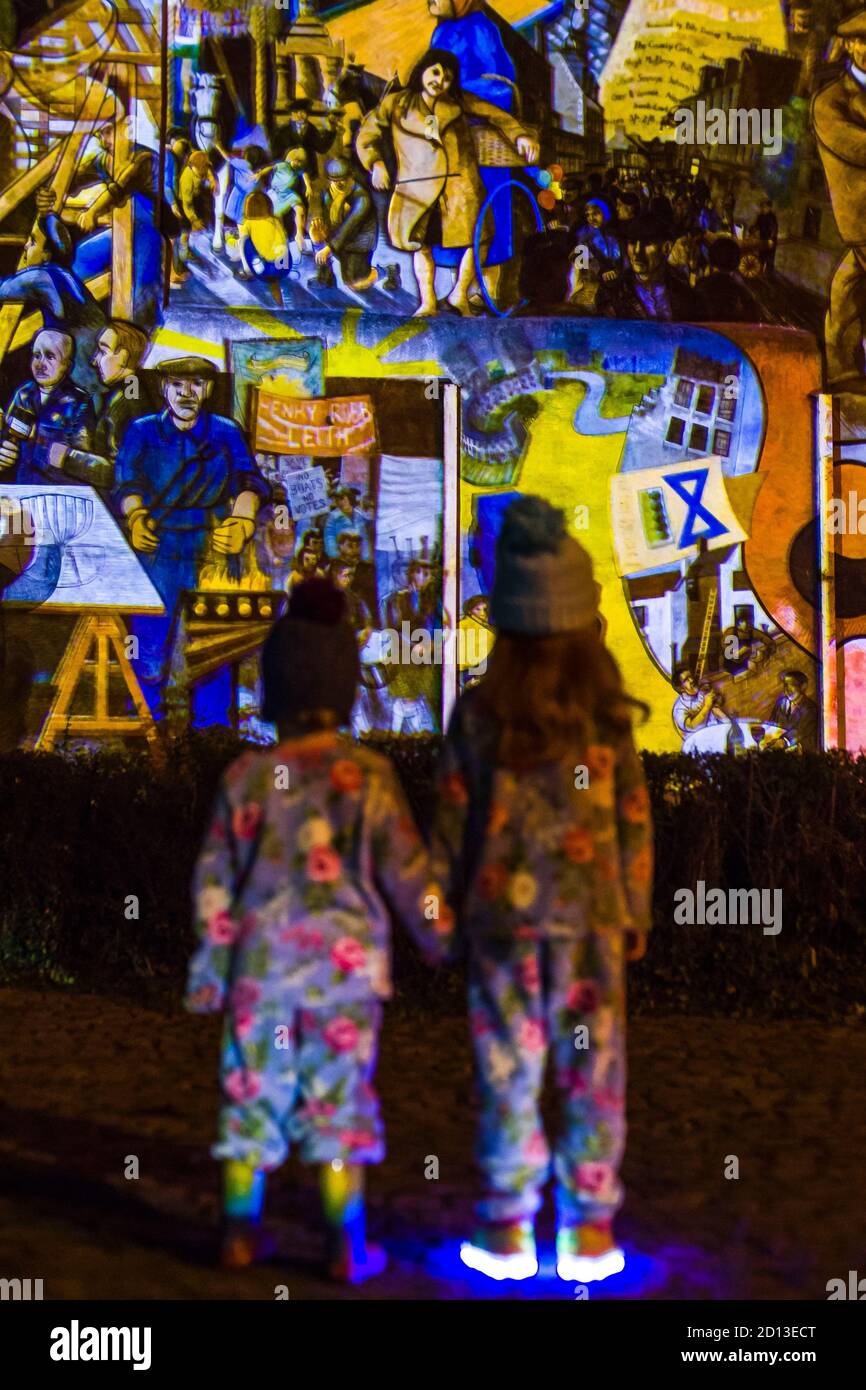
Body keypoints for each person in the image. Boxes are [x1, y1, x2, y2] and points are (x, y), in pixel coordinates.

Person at [185, 576, 452, 1277]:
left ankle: (238, 1234)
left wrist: (211, 969)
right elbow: (407, 872)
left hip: (260, 969)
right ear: (343, 685)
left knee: (252, 1092)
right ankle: (345, 1246)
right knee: (339, 1099)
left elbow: (215, 878)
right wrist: (438, 935)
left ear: (274, 688)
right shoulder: (366, 776)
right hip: (344, 971)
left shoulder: (247, 776)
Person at [430, 495, 653, 1282]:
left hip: (501, 923)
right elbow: (632, 819)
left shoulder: (480, 714)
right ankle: (590, 1233)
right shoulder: (606, 717)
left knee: (507, 1071)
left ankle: (506, 1231)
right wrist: (634, 907)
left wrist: (443, 916)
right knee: (595, 1070)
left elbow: (452, 827)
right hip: (591, 920)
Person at [113, 356, 269, 723]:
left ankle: (212, 736)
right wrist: (135, 516)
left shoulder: (226, 432)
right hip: (157, 551)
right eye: (178, 384)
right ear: (164, 387)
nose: (187, 393)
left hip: (210, 551)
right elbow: (125, 482)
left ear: (208, 389)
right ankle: (144, 732)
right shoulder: (142, 431)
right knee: (148, 649)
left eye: (197, 384)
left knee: (212, 650)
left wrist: (243, 521)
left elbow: (251, 481)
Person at [356, 48, 538, 316]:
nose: (439, 81)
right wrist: (375, 163)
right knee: (420, 244)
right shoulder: (397, 103)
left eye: (447, 77)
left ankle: (459, 294)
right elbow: (367, 132)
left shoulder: (458, 102)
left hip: (459, 185)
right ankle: (428, 301)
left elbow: (496, 115)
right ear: (423, 71)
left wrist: (520, 136)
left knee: (479, 238)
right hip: (416, 187)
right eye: (436, 72)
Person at [813, 10, 866, 388]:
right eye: (862, 40)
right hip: (861, 224)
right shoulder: (831, 101)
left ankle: (844, 377)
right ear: (848, 45)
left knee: (845, 297)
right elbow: (856, 146)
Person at [0, 207, 107, 385]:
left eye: (33, 242)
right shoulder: (63, 275)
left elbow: (3, 289)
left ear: (46, 255)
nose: (26, 246)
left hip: (81, 368)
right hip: (92, 362)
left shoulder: (40, 277)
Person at [50, 319, 148, 491]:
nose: (94, 360)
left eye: (103, 351)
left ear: (124, 356)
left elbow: (120, 472)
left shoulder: (129, 402)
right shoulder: (127, 390)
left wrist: (69, 458)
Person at [0, 328, 94, 485]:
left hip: (57, 490)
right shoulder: (24, 393)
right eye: (36, 356)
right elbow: (7, 437)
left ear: (67, 366)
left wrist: (38, 440)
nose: (40, 364)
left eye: (50, 357)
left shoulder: (80, 401)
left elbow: (79, 462)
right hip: (21, 486)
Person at [602, 215, 699, 321]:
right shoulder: (615, 292)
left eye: (647, 243)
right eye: (632, 243)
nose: (637, 252)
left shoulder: (683, 293)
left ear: (666, 248)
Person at [310, 158, 378, 292]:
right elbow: (324, 215)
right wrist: (320, 233)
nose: (338, 183)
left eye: (342, 179)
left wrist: (328, 248)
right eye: (334, 180)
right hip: (338, 238)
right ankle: (325, 275)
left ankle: (383, 271)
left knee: (356, 284)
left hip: (359, 241)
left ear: (350, 176)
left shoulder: (362, 198)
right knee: (316, 233)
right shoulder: (329, 193)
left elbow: (349, 227)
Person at [765, 669, 819, 750]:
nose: (787, 689)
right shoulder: (781, 703)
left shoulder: (810, 708)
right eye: (785, 685)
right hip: (778, 750)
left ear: (803, 686)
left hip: (800, 754)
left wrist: (783, 742)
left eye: (792, 684)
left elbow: (800, 732)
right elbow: (772, 724)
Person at [671, 664, 729, 738]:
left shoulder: (701, 691)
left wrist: (729, 724)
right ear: (681, 688)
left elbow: (717, 708)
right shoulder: (679, 708)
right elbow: (692, 727)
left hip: (718, 733)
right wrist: (707, 706)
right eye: (686, 680)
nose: (691, 680)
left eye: (691, 677)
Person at [751, 197, 779, 274]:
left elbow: (774, 229)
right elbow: (756, 226)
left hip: (770, 241)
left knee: (769, 258)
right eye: (762, 207)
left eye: (765, 207)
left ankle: (768, 274)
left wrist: (771, 239)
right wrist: (752, 230)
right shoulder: (760, 216)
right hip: (763, 239)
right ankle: (759, 272)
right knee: (761, 256)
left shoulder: (772, 217)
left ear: (769, 208)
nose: (763, 208)